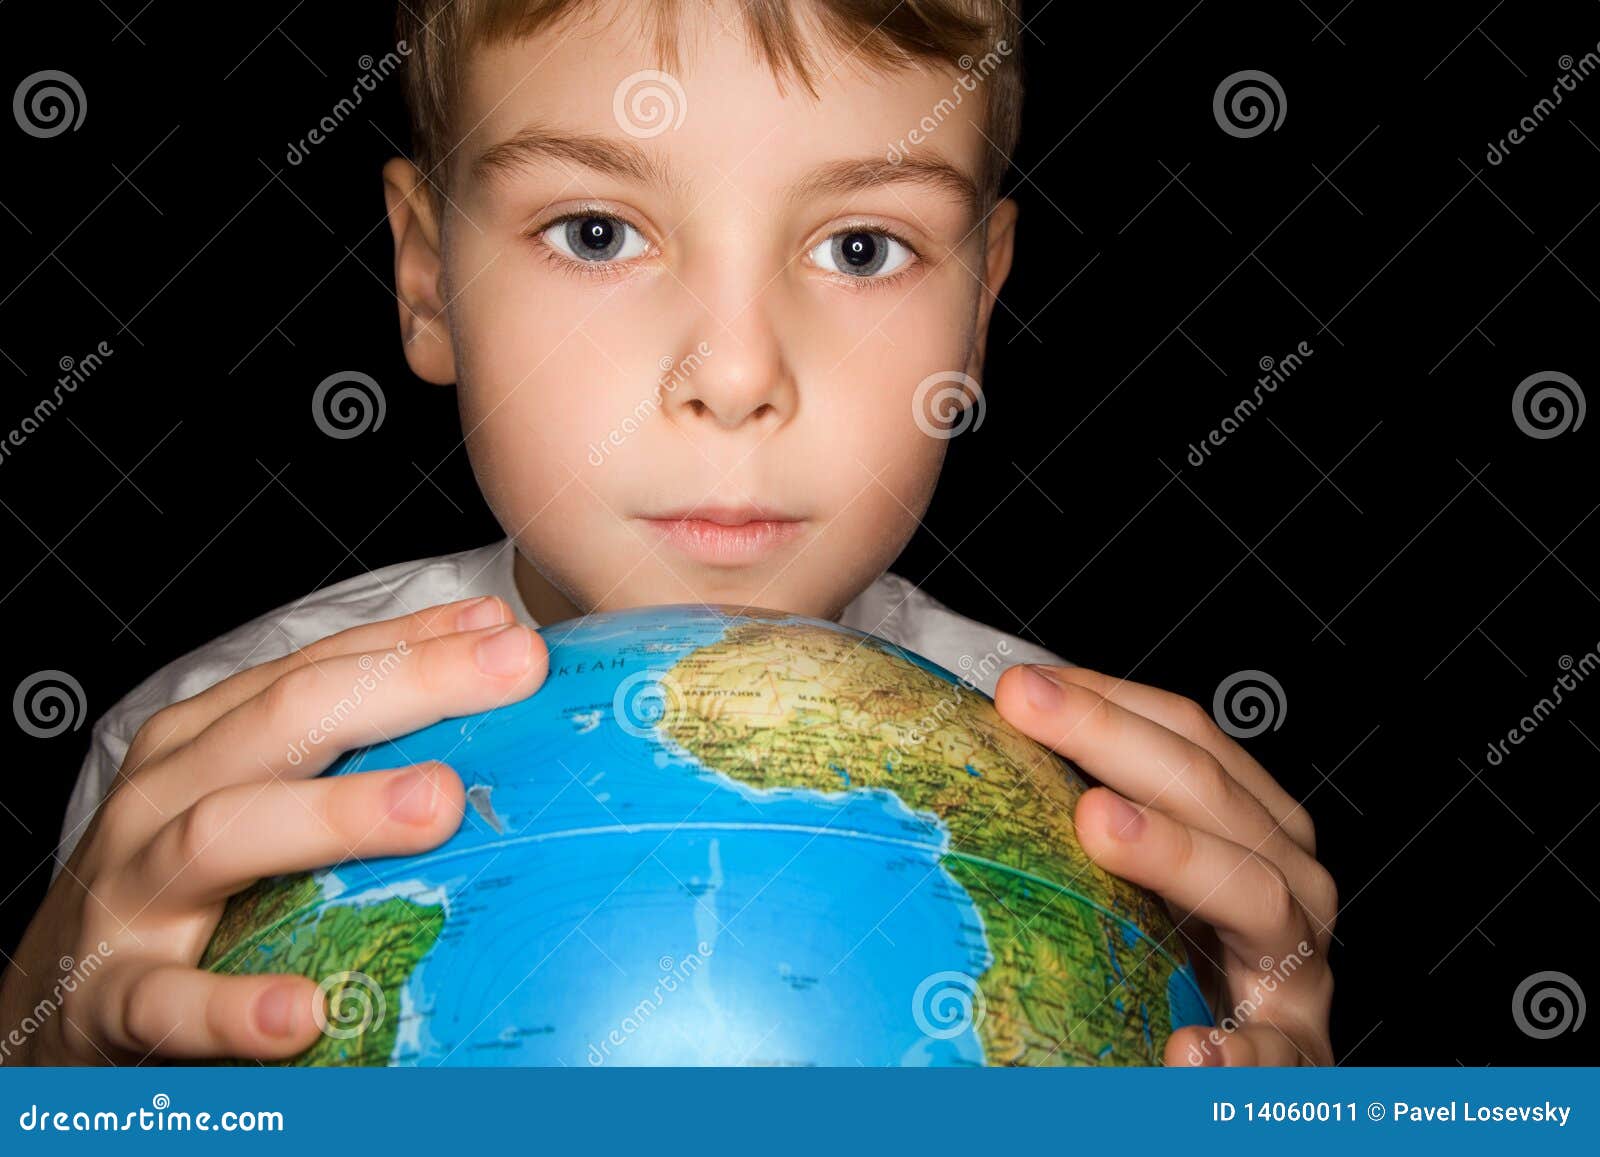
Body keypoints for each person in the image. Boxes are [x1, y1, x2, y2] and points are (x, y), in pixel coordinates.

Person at [0, 0, 1336, 1066]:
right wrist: (47, 1066)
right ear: (427, 278)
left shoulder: (1105, 828)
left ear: (978, 308)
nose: (737, 371)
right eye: (596, 230)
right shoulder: (204, 773)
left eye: (863, 248)